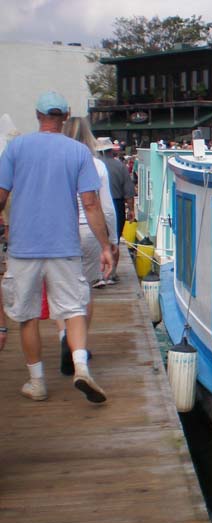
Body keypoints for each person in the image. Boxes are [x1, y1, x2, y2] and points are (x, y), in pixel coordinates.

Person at [0, 91, 112, 403]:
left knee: (27, 315)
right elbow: (90, 204)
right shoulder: (78, 152)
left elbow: (0, 195)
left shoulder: (16, 148)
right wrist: (105, 246)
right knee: (73, 308)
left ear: (38, 115)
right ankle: (81, 367)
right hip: (64, 244)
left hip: (23, 245)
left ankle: (37, 383)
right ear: (65, 117)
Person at [58, 117, 118, 374]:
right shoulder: (96, 165)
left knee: (61, 289)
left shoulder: (56, 161)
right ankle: (80, 345)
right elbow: (105, 207)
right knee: (85, 289)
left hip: (61, 230)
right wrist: (112, 240)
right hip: (90, 232)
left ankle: (64, 336)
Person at [96, 137, 135, 282]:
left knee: (98, 239)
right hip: (116, 205)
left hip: (97, 205)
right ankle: (112, 273)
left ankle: (98, 273)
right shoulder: (120, 166)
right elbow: (129, 191)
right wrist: (131, 210)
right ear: (111, 149)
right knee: (114, 239)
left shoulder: (93, 165)